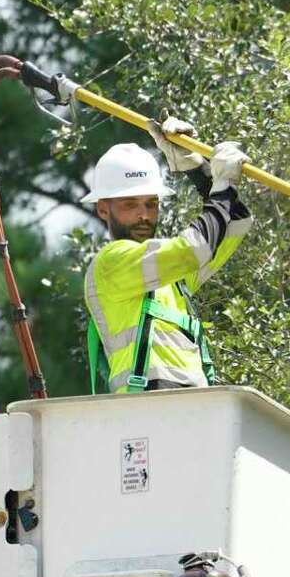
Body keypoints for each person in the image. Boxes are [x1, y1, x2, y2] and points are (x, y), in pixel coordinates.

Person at [81, 118, 250, 392]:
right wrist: (222, 185)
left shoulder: (170, 276)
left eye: (151, 204)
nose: (144, 215)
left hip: (189, 403)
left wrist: (198, 170)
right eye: (130, 205)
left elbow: (235, 224)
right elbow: (194, 249)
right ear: (103, 210)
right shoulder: (111, 263)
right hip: (145, 405)